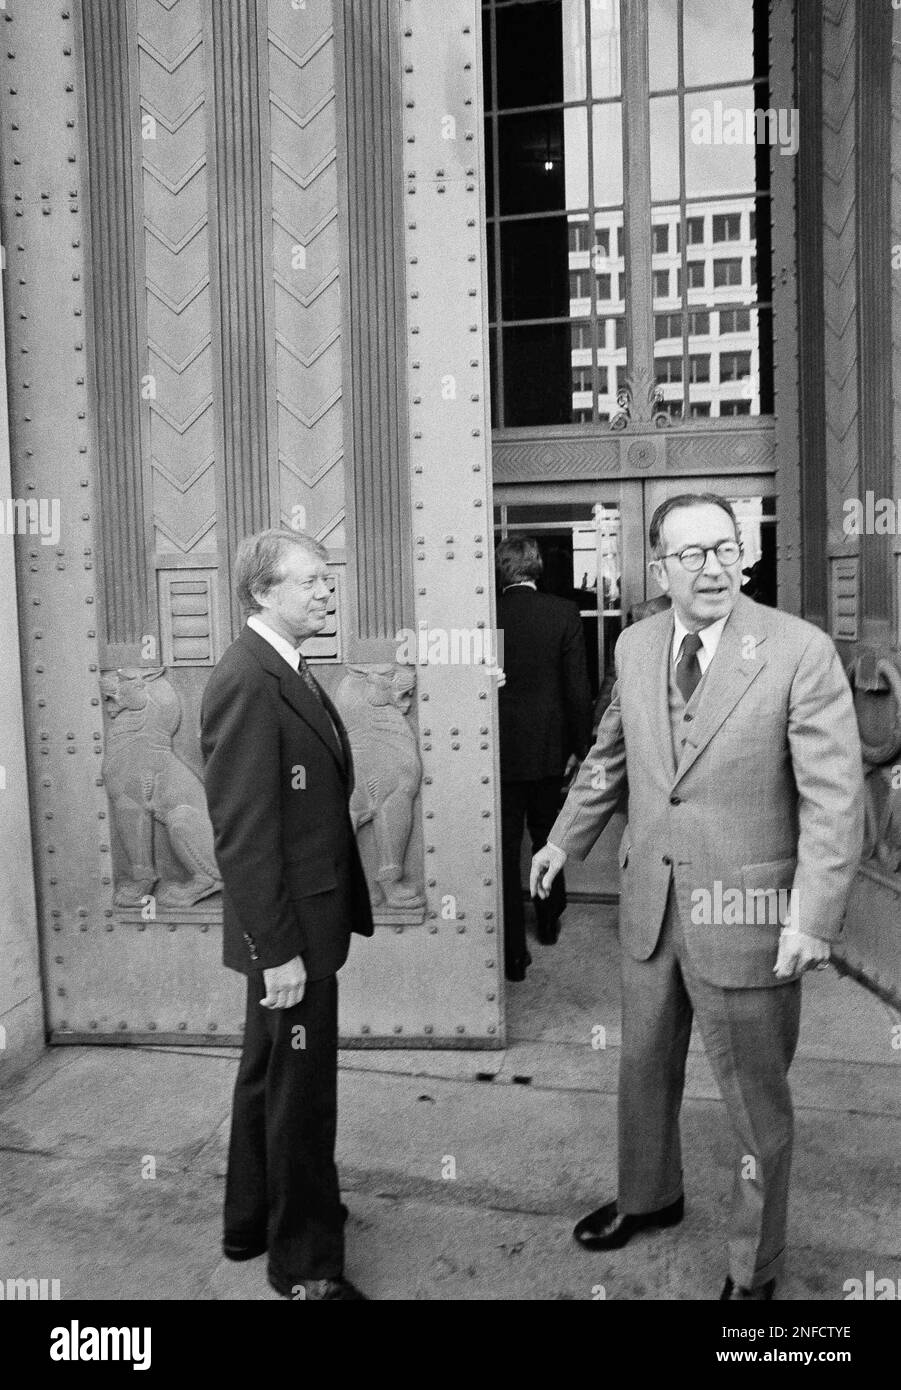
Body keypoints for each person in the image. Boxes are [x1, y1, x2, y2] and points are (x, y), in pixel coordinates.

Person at [531, 493, 864, 1300]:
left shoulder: (798, 651)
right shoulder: (636, 644)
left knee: (755, 1107)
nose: (712, 568)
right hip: (652, 903)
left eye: (725, 549)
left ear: (742, 555)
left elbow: (832, 798)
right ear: (659, 568)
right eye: (691, 554)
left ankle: (755, 1268)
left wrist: (812, 916)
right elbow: (610, 756)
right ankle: (649, 1196)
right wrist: (562, 840)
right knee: (642, 1068)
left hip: (748, 917)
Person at [200, 529, 373, 1302]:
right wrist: (276, 951)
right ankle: (305, 1265)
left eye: (327, 579)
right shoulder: (247, 678)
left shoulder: (284, 666)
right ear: (263, 592)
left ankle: (250, 1223)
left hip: (296, 922)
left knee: (267, 1075)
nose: (326, 592)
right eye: (310, 581)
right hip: (288, 933)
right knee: (300, 1096)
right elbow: (242, 833)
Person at [496, 537, 593, 981]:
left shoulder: (488, 615)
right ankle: (549, 920)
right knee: (547, 836)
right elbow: (576, 688)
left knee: (502, 850)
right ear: (537, 567)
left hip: (497, 753)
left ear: (501, 570)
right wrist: (579, 746)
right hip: (548, 749)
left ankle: (513, 954)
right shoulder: (563, 612)